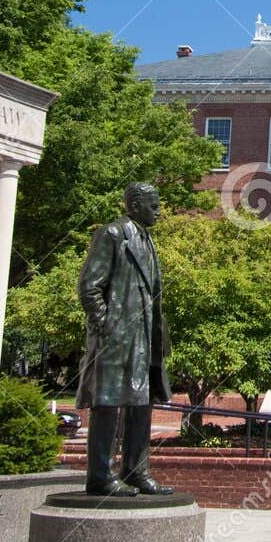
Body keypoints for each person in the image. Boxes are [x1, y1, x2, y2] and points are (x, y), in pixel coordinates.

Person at [77, 182, 174, 497]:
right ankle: (101, 476)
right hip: (117, 337)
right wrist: (106, 325)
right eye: (153, 205)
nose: (158, 210)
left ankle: (136, 471)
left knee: (141, 403)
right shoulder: (114, 235)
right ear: (134, 206)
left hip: (145, 336)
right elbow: (90, 285)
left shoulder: (146, 240)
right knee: (107, 405)